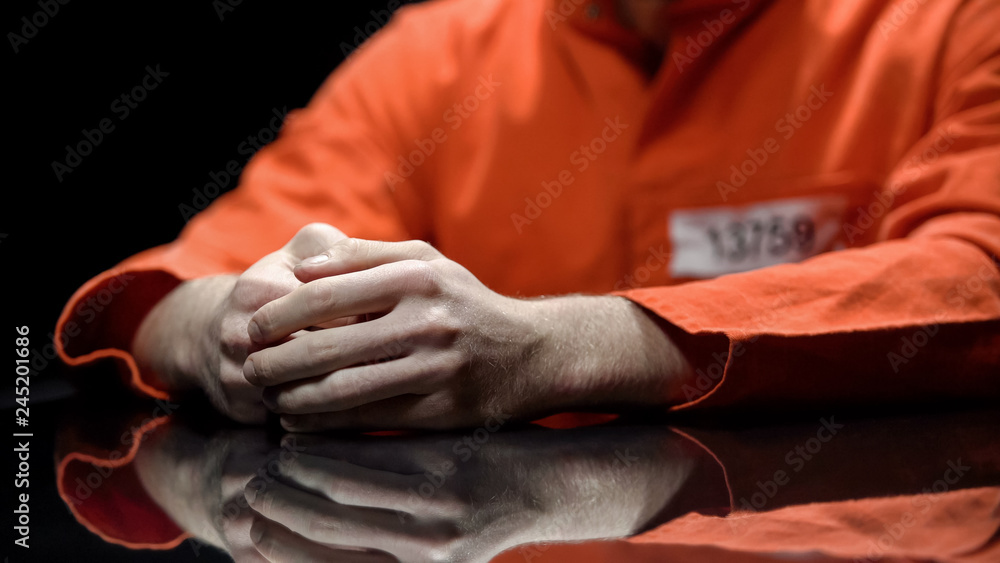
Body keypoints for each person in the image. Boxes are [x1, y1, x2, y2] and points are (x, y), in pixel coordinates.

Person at [56, 0, 1000, 432]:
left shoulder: (957, 21)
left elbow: (978, 275)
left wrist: (556, 348)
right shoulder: (435, 57)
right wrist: (228, 325)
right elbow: (173, 290)